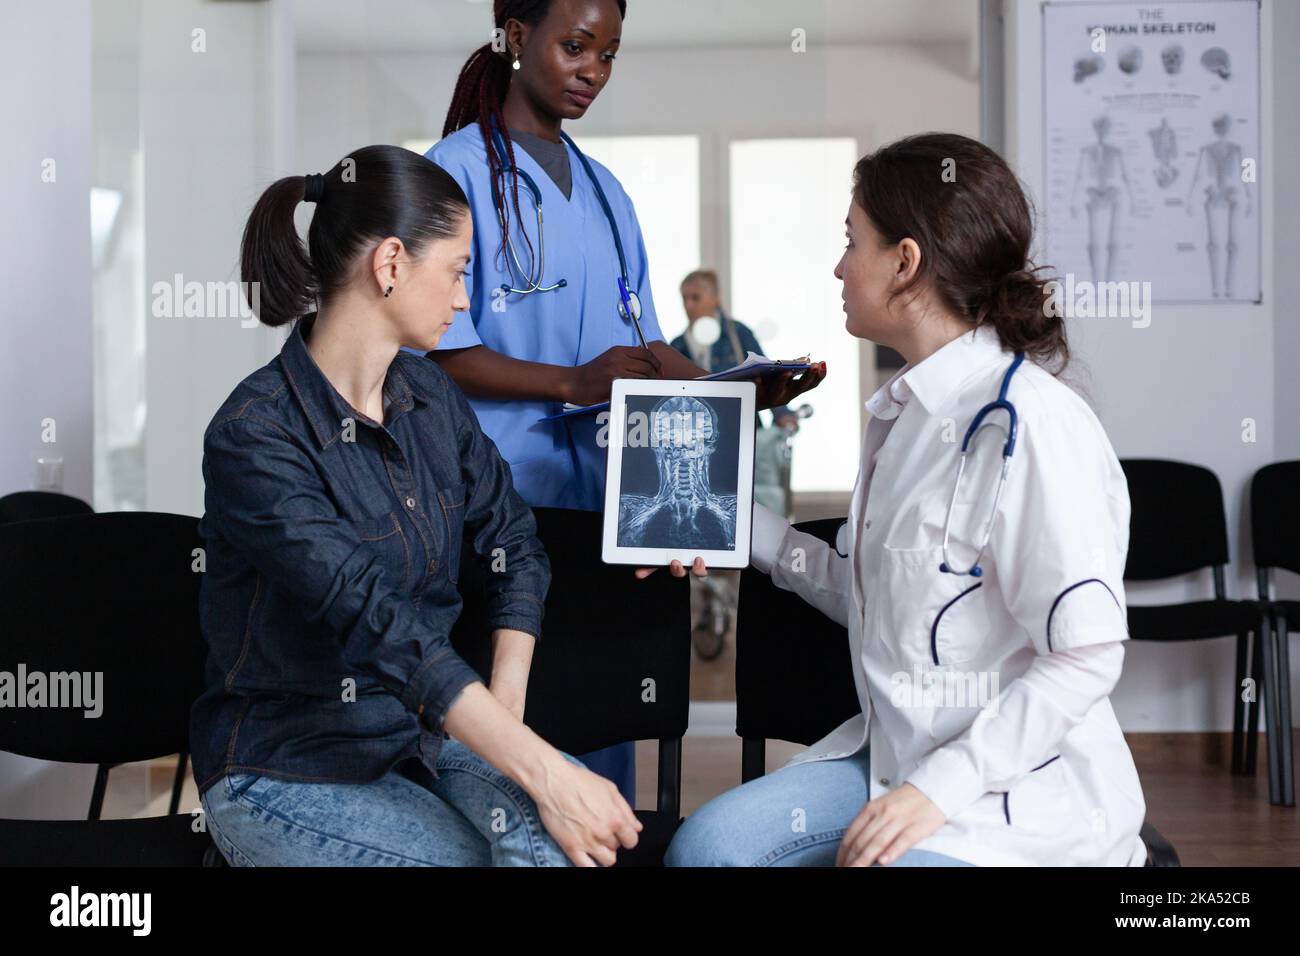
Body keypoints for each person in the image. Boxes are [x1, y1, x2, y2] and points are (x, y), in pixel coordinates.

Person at [659, 132, 1147, 867]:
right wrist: (731, 524)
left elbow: (1086, 655)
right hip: (895, 759)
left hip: (1017, 801)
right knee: (706, 851)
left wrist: (938, 791)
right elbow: (869, 596)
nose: (838, 265)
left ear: (905, 263)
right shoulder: (904, 415)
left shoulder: (1031, 425)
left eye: (851, 241)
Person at [414, 0, 824, 802]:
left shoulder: (608, 194)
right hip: (499, 506)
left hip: (610, 510)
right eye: (575, 46)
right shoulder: (452, 173)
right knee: (503, 755)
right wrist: (568, 382)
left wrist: (730, 389)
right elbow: (424, 348)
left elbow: (647, 355)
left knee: (603, 726)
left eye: (608, 54)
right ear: (517, 34)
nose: (592, 71)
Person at [192, 145, 641, 867]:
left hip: (419, 740)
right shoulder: (255, 435)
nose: (466, 300)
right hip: (285, 765)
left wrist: (507, 720)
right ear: (392, 264)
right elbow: (374, 619)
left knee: (562, 844)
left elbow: (514, 543)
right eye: (459, 271)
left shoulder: (431, 397)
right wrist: (538, 767)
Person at [672, 268, 797, 430]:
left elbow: (768, 375)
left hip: (741, 427)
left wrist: (783, 415)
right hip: (698, 433)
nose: (688, 305)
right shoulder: (676, 345)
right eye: (684, 298)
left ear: (715, 298)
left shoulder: (738, 333)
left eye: (696, 298)